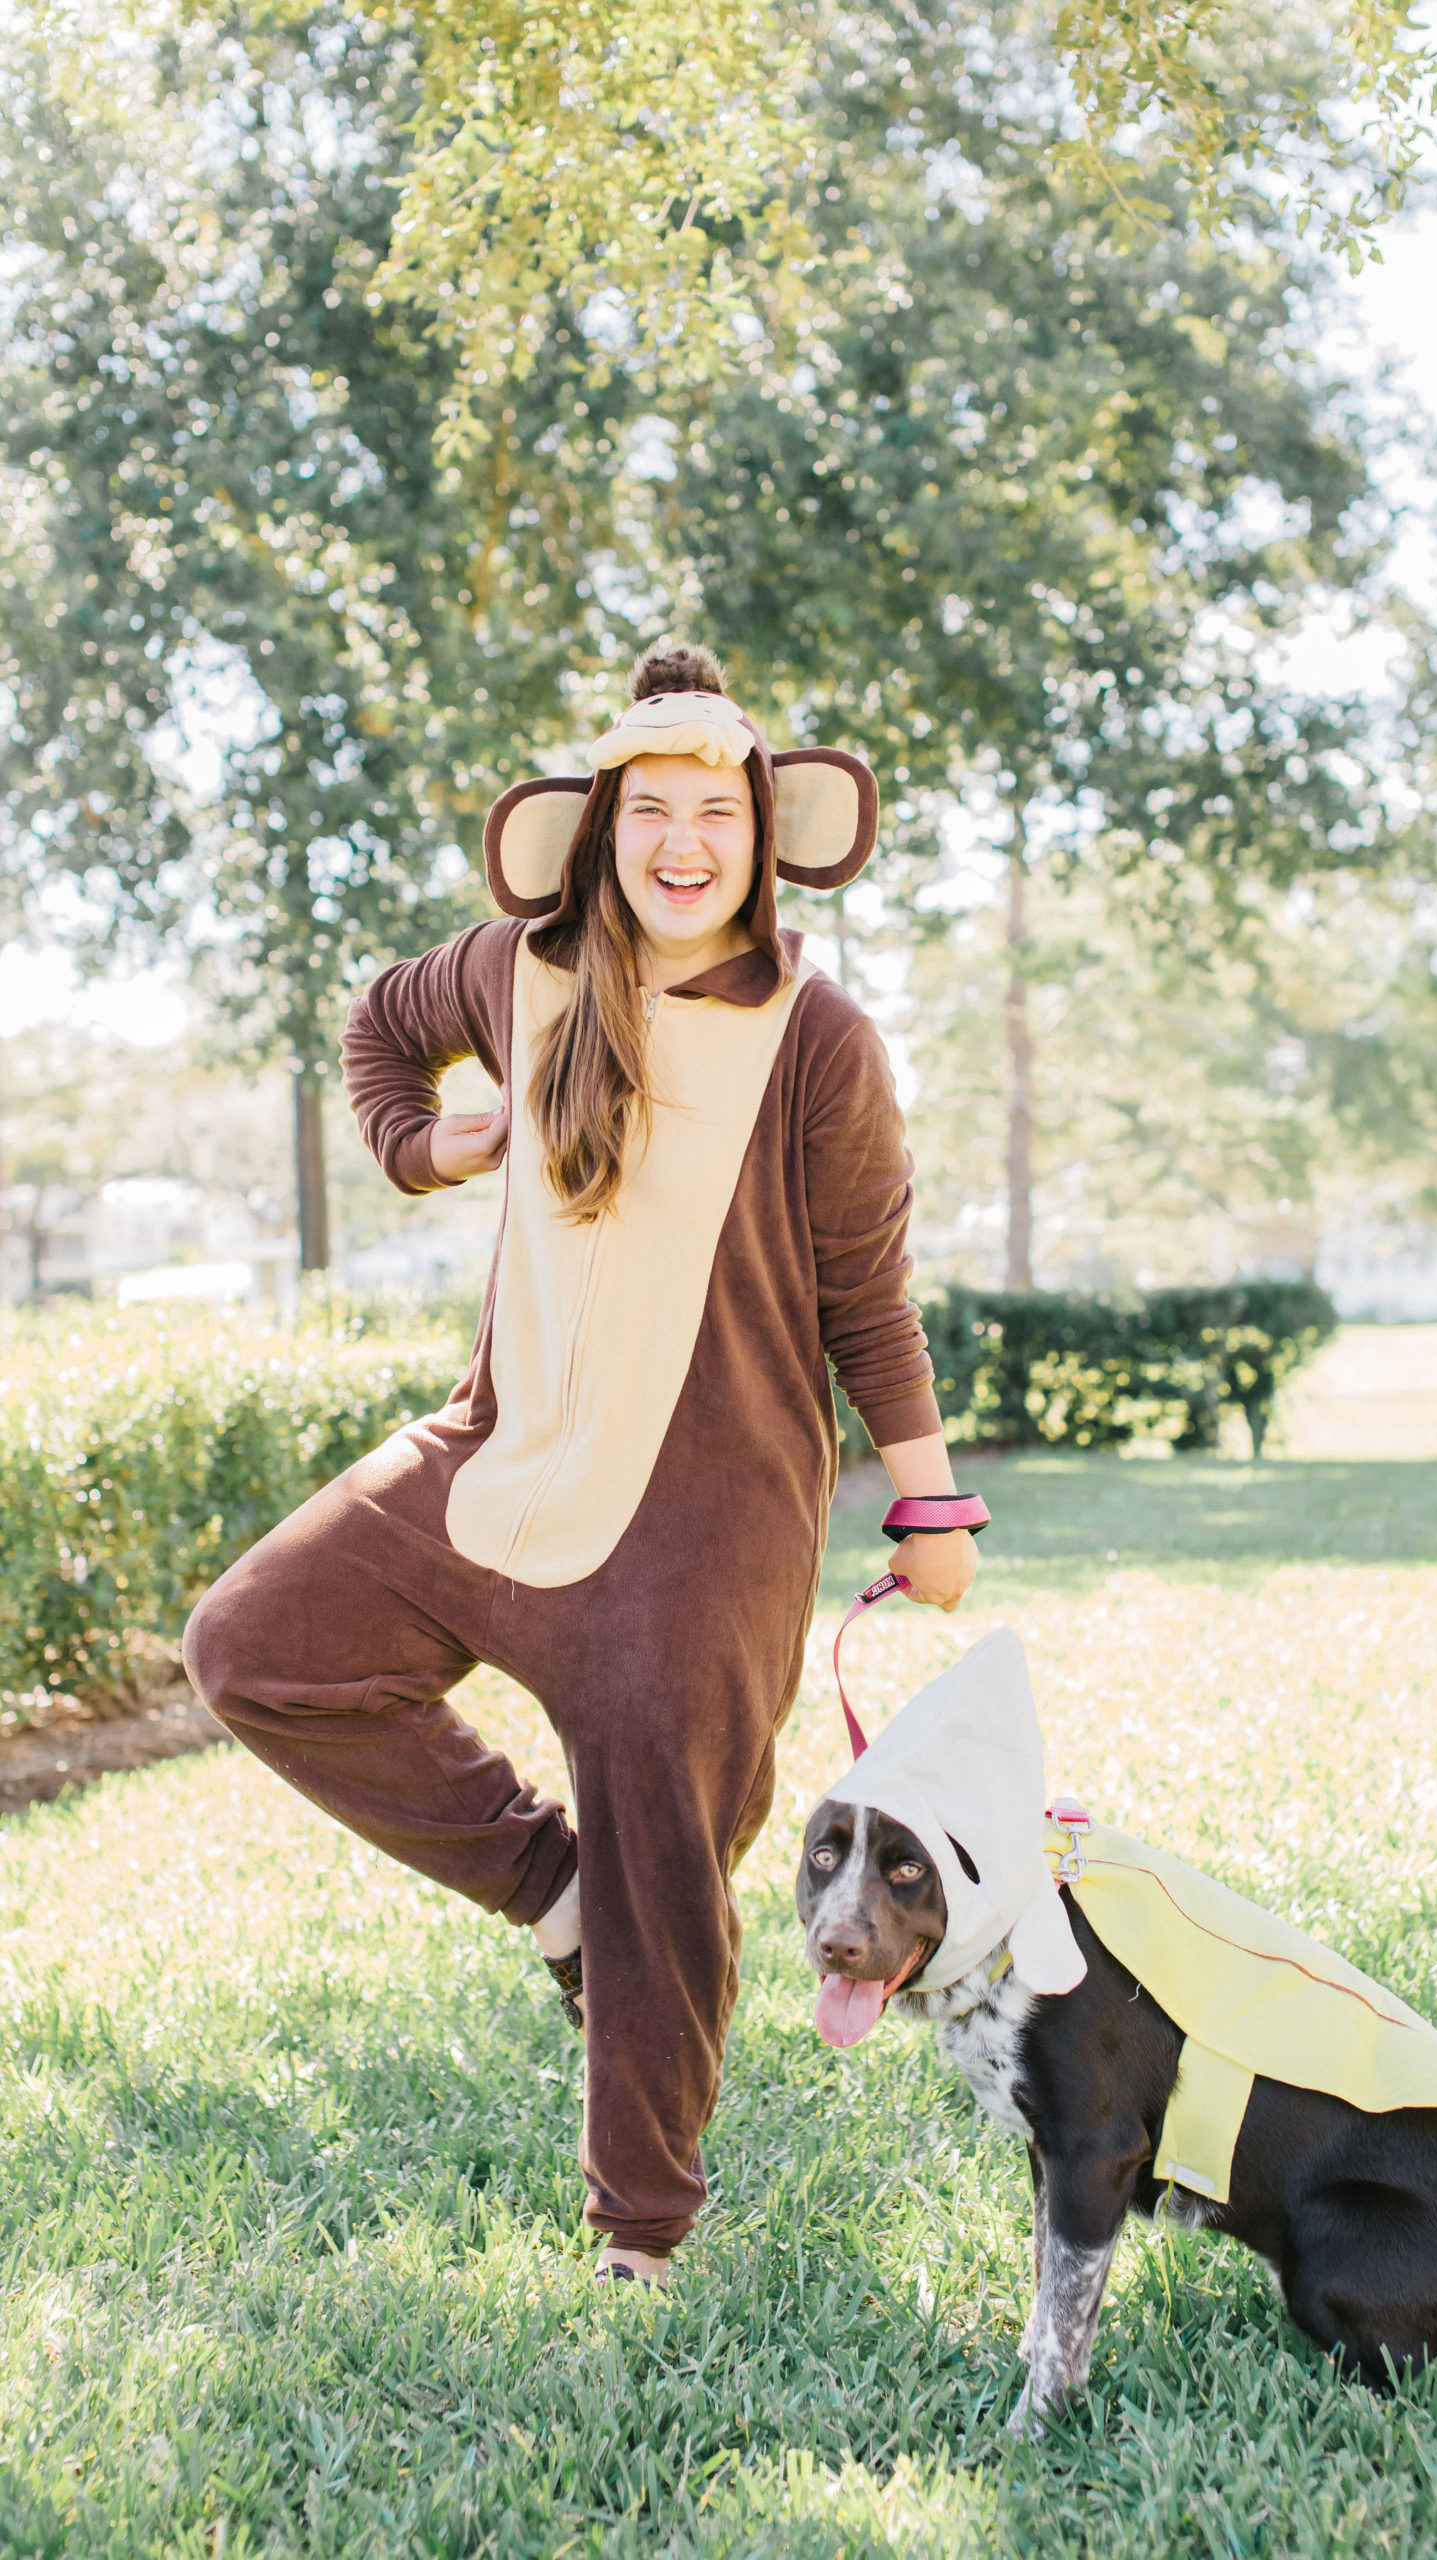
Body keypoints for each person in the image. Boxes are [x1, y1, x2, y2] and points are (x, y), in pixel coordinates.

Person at [184, 642, 979, 2286]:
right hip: (492, 1468)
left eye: (718, 815)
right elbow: (378, 1030)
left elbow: (867, 1297)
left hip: (703, 1530)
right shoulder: (510, 971)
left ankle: (643, 2233)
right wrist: (424, 1143)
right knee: (252, 1647)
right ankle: (553, 1895)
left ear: (766, 842)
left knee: (666, 1883)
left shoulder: (821, 1041)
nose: (685, 843)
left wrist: (929, 1497)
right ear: (601, 829)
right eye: (653, 812)